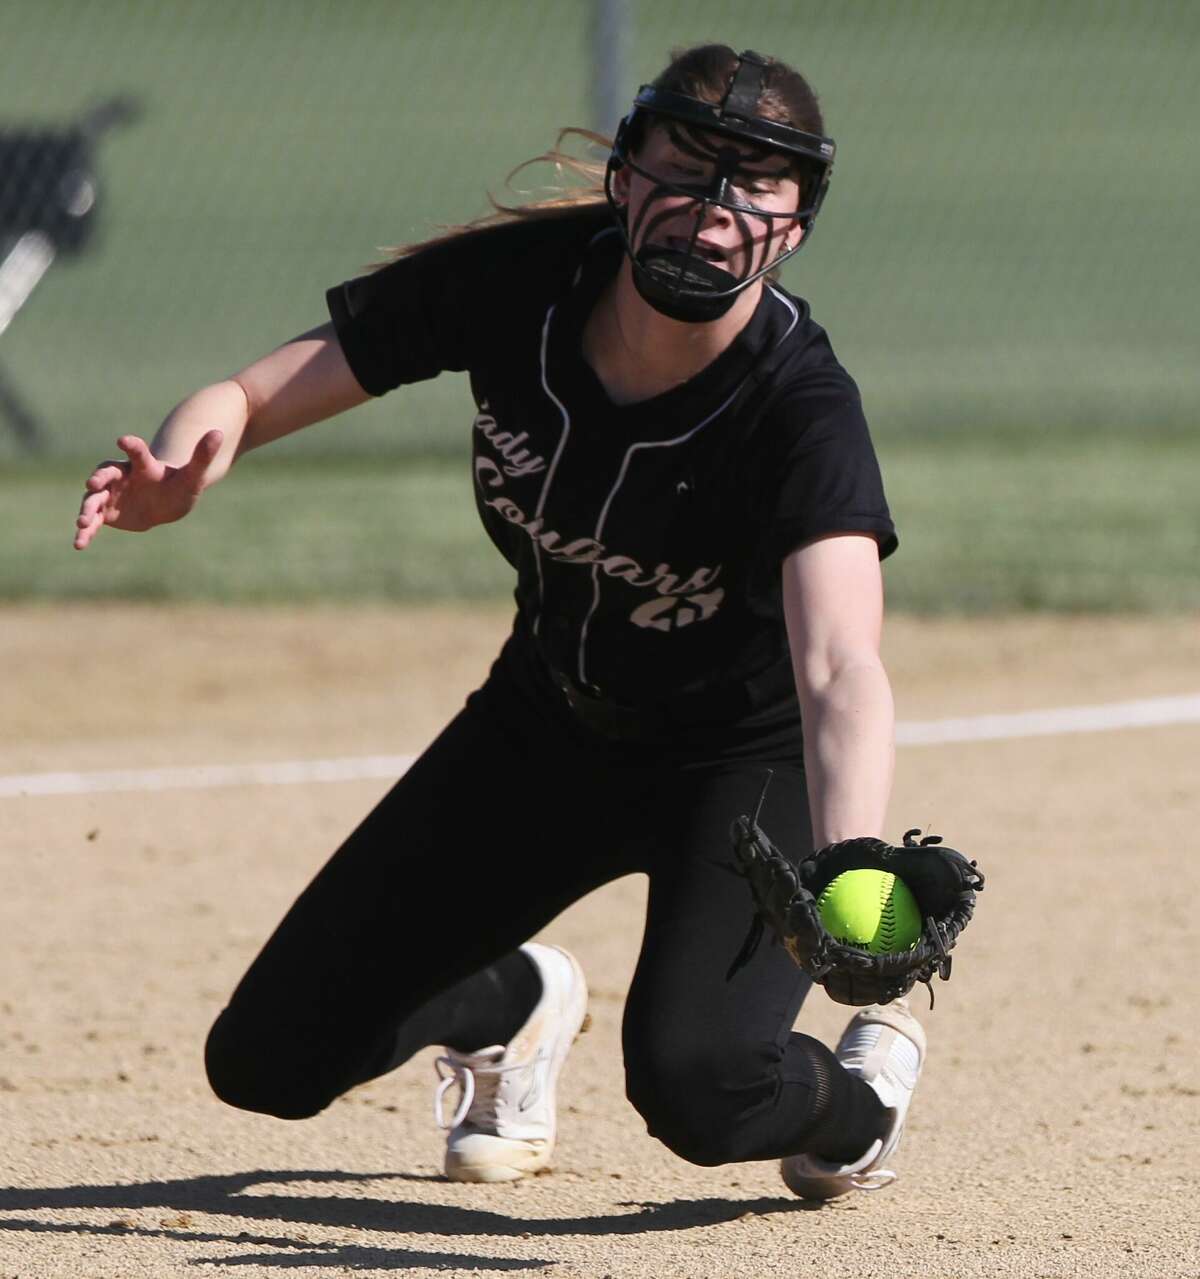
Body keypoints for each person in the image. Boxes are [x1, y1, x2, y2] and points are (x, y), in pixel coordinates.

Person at [73, 45, 926, 1199]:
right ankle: (520, 1002)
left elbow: (838, 665)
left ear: (798, 225)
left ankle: (860, 1099)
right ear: (626, 177)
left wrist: (850, 863)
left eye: (759, 183)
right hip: (547, 726)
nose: (715, 209)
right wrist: (180, 466)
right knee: (266, 1058)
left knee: (698, 1083)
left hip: (738, 763)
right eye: (687, 166)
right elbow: (252, 393)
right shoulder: (527, 284)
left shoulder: (802, 407)